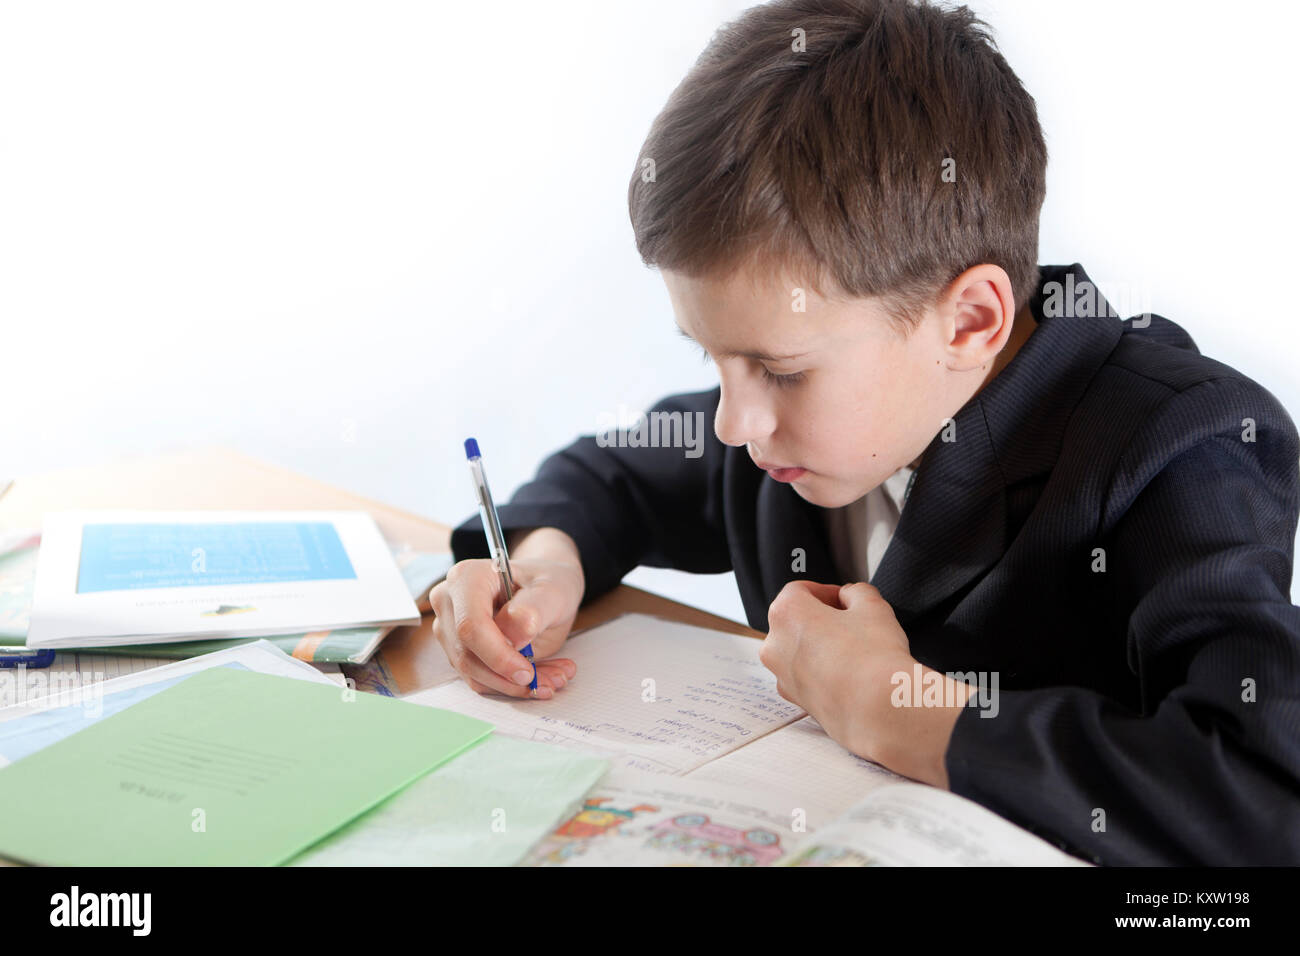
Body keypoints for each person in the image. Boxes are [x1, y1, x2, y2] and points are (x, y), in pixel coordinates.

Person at [429, 0, 1300, 865]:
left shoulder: (1182, 445)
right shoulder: (792, 430)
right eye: (713, 361)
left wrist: (901, 708)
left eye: (780, 369)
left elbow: (1260, 796)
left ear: (968, 322)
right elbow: (613, 476)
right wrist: (547, 558)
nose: (734, 422)